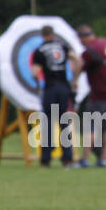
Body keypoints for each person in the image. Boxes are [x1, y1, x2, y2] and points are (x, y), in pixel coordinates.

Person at [71, 24, 106, 168]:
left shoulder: (90, 51)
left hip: (101, 90)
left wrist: (74, 78)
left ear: (83, 38)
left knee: (90, 125)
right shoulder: (105, 43)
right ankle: (104, 159)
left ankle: (85, 160)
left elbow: (79, 67)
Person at [31, 25, 75, 167]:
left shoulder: (39, 51)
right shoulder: (63, 46)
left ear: (42, 35)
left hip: (50, 88)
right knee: (64, 122)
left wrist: (37, 82)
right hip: (64, 87)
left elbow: (35, 72)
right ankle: (67, 158)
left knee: (47, 123)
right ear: (53, 34)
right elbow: (76, 59)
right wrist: (75, 78)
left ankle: (46, 159)